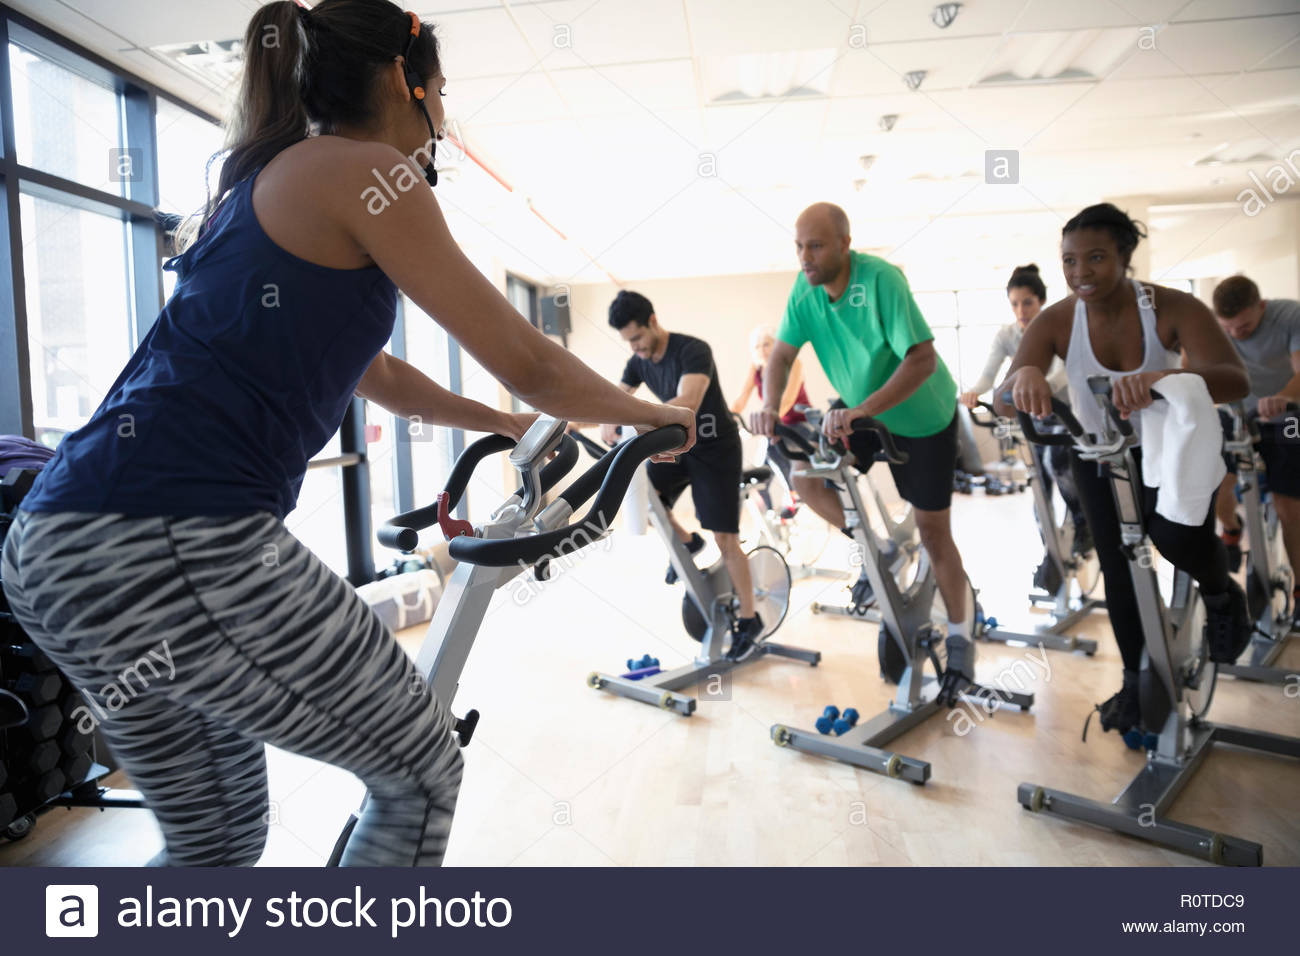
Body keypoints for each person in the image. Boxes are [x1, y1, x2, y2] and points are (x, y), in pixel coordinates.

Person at [0, 0, 692, 868]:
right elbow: (533, 360)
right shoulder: (367, 171)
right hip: (169, 535)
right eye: (441, 94)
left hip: (65, 543)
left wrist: (505, 422)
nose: (443, 119)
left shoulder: (275, 180)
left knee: (213, 843)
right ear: (407, 84)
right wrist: (662, 415)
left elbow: (384, 378)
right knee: (422, 770)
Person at [997, 202, 1251, 740]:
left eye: (1095, 258)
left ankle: (1221, 592)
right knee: (1117, 566)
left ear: (1124, 256)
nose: (1080, 272)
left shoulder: (1170, 307)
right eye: (1069, 261)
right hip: (1098, 455)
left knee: (1175, 538)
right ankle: (1136, 679)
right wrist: (1024, 377)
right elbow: (1004, 395)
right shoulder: (1058, 319)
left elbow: (1234, 379)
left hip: (1171, 451)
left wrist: (1165, 377)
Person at [751, 202, 976, 703]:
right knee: (805, 480)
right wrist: (768, 405)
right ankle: (880, 549)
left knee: (934, 532)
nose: (805, 257)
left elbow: (921, 359)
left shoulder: (880, 281)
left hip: (924, 417)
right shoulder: (804, 291)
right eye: (799, 247)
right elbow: (784, 354)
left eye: (816, 246)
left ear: (844, 245)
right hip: (860, 412)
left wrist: (863, 409)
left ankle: (962, 641)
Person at [599, 291, 766, 662]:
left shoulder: (693, 350)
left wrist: (633, 417)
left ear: (653, 321)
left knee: (725, 538)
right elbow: (616, 399)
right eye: (628, 342)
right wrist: (604, 419)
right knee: (642, 499)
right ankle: (688, 542)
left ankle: (750, 619)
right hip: (676, 448)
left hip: (715, 449)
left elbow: (687, 402)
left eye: (638, 338)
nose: (636, 348)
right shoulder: (637, 361)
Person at [962, 264, 1090, 581]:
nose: (1021, 310)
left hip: (1065, 413)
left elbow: (1062, 372)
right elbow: (990, 375)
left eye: (1027, 303)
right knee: (1038, 485)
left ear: (1041, 302)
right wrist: (974, 392)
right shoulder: (1007, 335)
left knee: (1057, 463)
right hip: (1034, 417)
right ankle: (1052, 552)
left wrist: (1038, 387)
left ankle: (1082, 521)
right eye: (1015, 304)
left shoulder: (1057, 327)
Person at [1210, 275, 1300, 626]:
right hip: (1239, 413)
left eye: (1243, 326)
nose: (1236, 334)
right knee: (1218, 483)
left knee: (1288, 503)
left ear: (1261, 307)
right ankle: (1230, 532)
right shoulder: (1218, 329)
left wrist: (1284, 398)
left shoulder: (1289, 316)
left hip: (1289, 412)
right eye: (1228, 328)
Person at [730, 326, 812, 510]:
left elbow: (788, 399)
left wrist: (768, 420)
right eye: (757, 347)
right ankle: (769, 521)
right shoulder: (756, 368)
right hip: (774, 426)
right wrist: (726, 417)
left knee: (773, 449)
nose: (762, 350)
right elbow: (741, 398)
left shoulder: (793, 364)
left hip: (798, 424)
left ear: (776, 345)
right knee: (759, 476)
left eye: (766, 344)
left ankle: (794, 493)